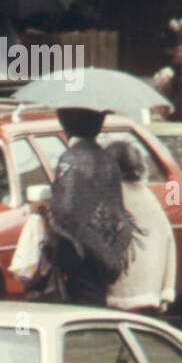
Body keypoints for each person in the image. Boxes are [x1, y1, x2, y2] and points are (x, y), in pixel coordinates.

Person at [48, 108, 139, 307]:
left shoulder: (71, 158)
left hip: (80, 256)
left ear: (66, 126)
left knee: (81, 311)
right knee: (95, 306)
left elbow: (66, 212)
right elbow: (116, 209)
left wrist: (48, 211)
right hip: (104, 253)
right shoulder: (107, 159)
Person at [105, 141, 177, 315]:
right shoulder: (149, 199)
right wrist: (166, 292)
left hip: (115, 295)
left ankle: (23, 334)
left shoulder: (108, 197)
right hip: (149, 294)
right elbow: (168, 243)